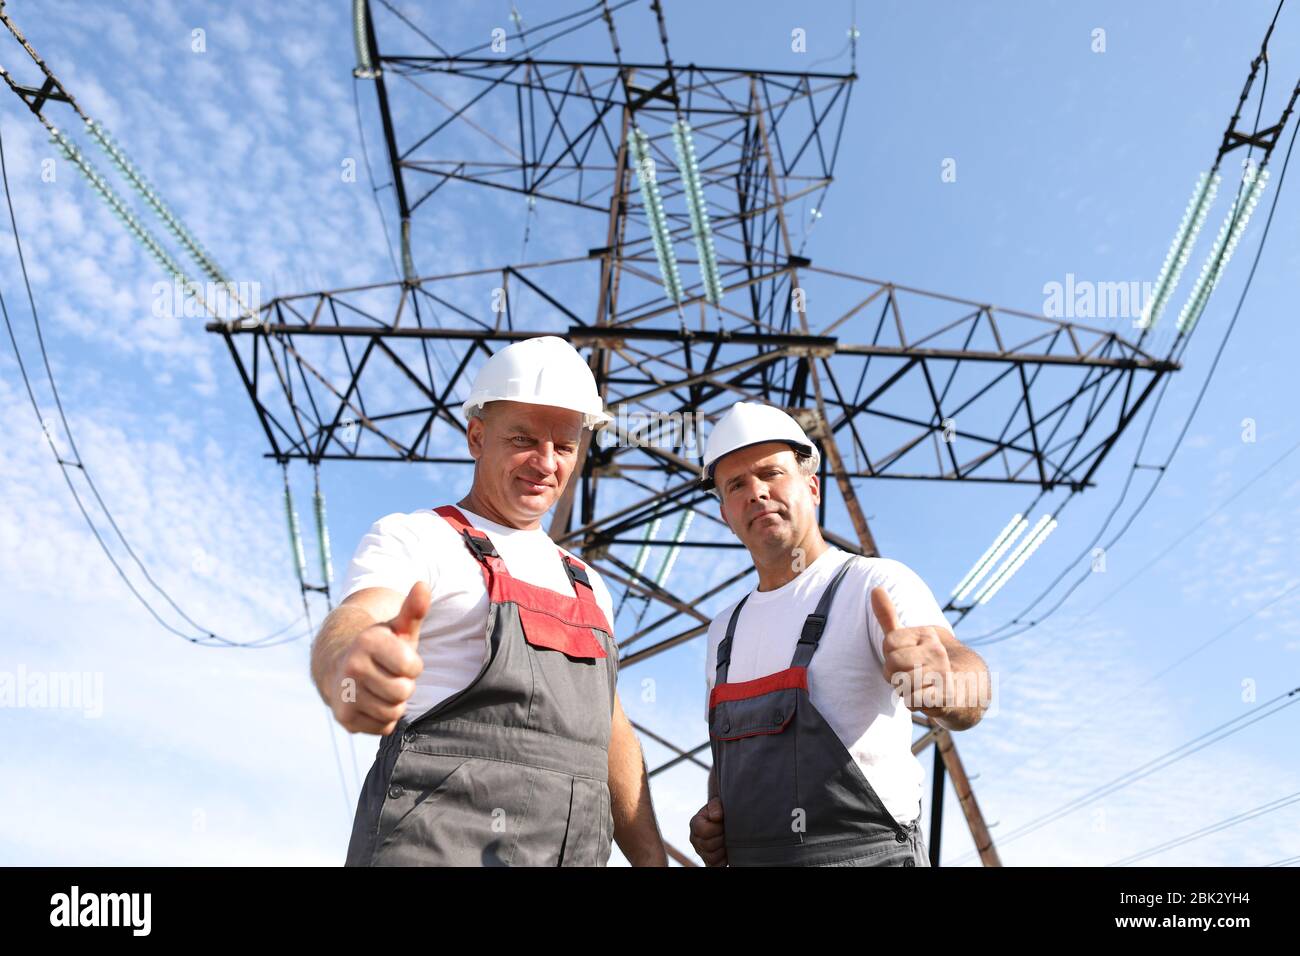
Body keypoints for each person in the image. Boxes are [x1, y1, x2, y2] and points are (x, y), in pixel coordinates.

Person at [310, 335, 667, 866]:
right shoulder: (418, 539)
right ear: (477, 436)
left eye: (564, 446)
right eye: (523, 438)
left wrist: (652, 861)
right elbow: (358, 618)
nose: (545, 463)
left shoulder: (589, 585)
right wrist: (351, 663)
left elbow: (610, 734)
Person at [687, 401, 990, 867]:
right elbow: (733, 757)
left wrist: (945, 685)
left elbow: (968, 690)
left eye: (771, 473)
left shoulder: (873, 585)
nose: (757, 493)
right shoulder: (724, 630)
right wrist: (716, 817)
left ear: (811, 488)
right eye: (737, 485)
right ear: (726, 514)